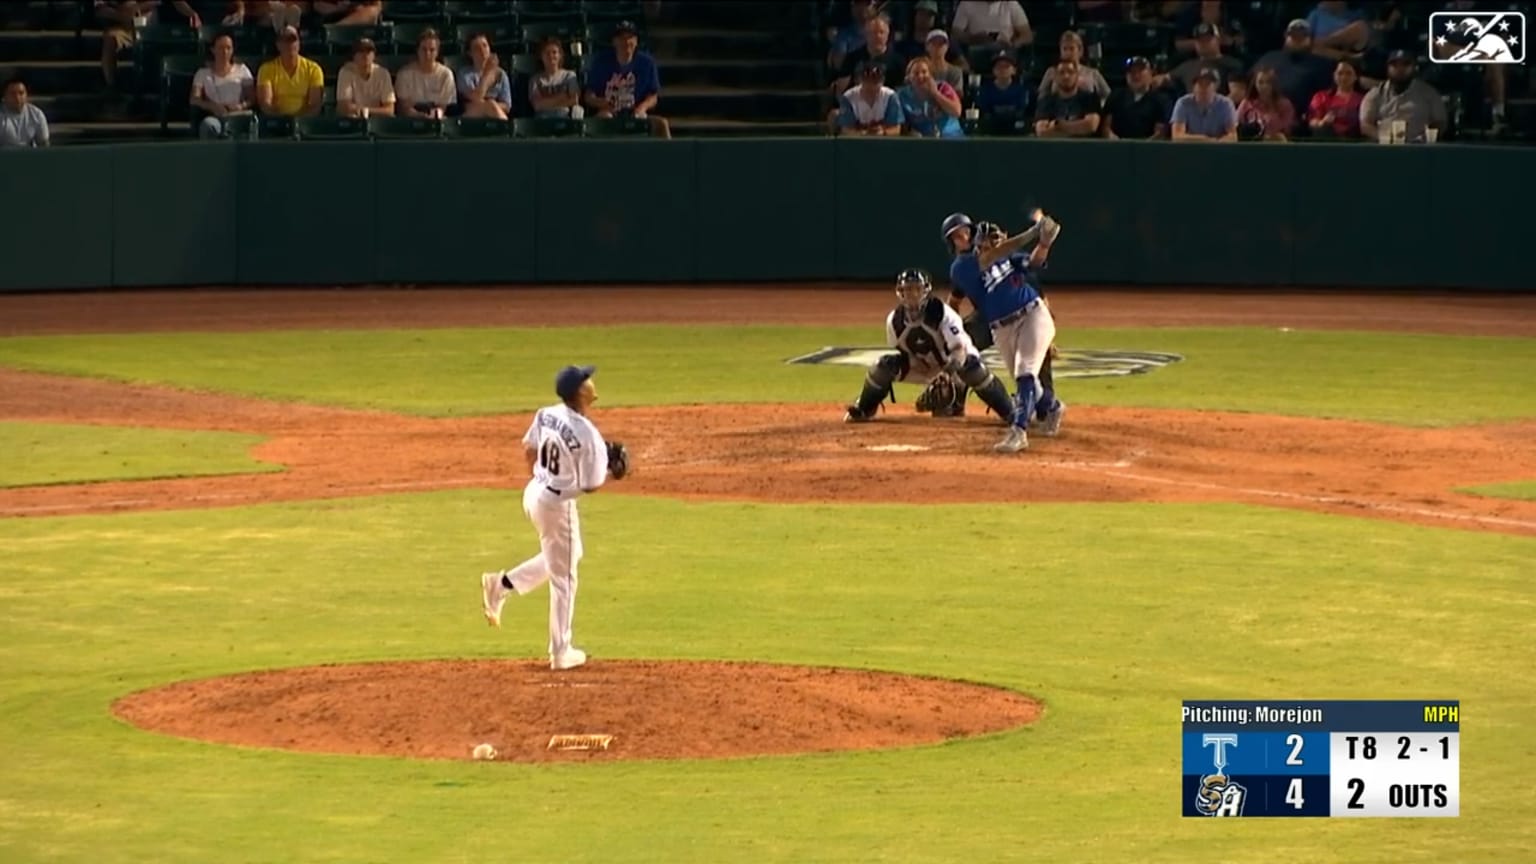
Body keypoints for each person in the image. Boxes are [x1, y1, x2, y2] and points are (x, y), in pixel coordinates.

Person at [480, 365, 629, 672]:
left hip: (534, 494)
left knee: (566, 557)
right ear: (580, 392)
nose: (591, 382)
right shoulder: (588, 434)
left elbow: (529, 449)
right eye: (586, 380)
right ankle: (560, 651)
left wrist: (543, 479)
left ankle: (502, 584)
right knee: (565, 578)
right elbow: (591, 485)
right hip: (556, 507)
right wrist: (615, 472)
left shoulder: (546, 413)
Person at [946, 213, 1066, 452]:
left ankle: (1018, 432)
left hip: (1032, 315)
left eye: (993, 239)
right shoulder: (961, 268)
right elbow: (991, 257)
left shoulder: (1009, 258)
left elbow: (1033, 262)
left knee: (1025, 373)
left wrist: (1044, 244)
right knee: (1029, 383)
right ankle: (1053, 407)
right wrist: (1032, 233)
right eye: (986, 240)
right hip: (1001, 328)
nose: (991, 243)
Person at [843, 269, 1017, 433]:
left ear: (925, 291)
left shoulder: (942, 313)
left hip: (953, 361)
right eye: (908, 289)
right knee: (882, 366)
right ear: (900, 292)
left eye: (916, 289)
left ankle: (1009, 411)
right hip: (923, 364)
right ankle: (864, 408)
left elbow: (959, 348)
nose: (912, 295)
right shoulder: (894, 321)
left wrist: (950, 374)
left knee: (973, 369)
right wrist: (930, 377)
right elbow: (905, 354)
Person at [190, 33, 254, 137]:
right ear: (213, 49)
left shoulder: (242, 70)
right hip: (215, 115)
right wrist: (212, 106)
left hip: (237, 115)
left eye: (228, 48)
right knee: (208, 125)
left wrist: (241, 106)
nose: (225, 52)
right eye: (220, 48)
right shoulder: (202, 73)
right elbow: (194, 99)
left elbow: (252, 98)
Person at [898, 57, 964, 138]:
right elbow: (900, 123)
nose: (920, 76)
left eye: (924, 72)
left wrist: (935, 94)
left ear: (930, 74)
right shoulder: (902, 95)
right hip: (922, 140)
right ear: (908, 77)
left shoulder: (943, 87)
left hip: (951, 136)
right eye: (916, 73)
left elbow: (957, 112)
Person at [1236, 66, 1296, 141]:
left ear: (1274, 84)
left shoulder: (1285, 105)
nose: (1264, 86)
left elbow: (1288, 130)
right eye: (1260, 82)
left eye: (1268, 82)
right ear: (1255, 83)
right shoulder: (1246, 103)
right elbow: (1237, 126)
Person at [1306, 59, 1363, 139]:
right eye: (1340, 73)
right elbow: (1312, 121)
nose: (1344, 77)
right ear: (1334, 75)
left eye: (1348, 73)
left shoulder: (1363, 99)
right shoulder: (1321, 97)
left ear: (1356, 76)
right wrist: (1322, 123)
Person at [0, 78, 49, 148]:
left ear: (26, 95)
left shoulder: (36, 114)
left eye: (21, 93)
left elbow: (43, 144)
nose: (17, 97)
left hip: (29, 156)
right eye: (12, 94)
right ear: (4, 96)